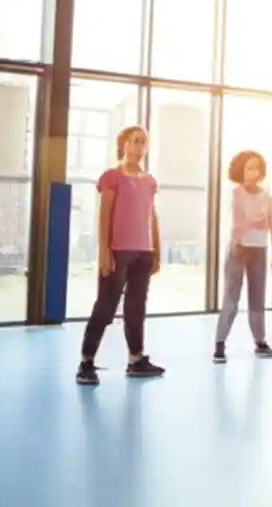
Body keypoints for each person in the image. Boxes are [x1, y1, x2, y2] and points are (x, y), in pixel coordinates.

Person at [75, 125, 166, 385]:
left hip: (143, 252)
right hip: (118, 251)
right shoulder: (112, 177)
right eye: (133, 141)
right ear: (123, 144)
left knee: (136, 307)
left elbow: (153, 216)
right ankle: (86, 361)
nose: (138, 147)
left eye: (142, 142)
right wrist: (104, 252)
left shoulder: (149, 180)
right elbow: (104, 216)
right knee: (105, 307)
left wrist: (156, 248)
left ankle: (136, 359)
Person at [213, 150, 272, 363]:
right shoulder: (236, 193)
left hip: (259, 249)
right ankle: (219, 344)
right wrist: (239, 244)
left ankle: (260, 342)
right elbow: (239, 222)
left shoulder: (268, 197)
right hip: (239, 249)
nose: (254, 173)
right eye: (249, 168)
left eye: (257, 168)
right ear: (241, 171)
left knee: (258, 298)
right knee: (231, 299)